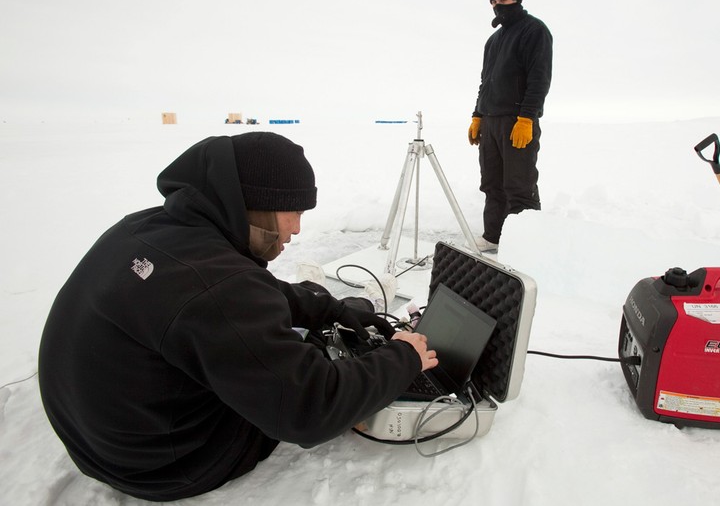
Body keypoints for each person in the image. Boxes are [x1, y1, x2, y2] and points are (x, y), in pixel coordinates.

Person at [38, 132, 437, 502]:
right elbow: (310, 411)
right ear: (254, 205)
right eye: (292, 212)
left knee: (283, 329)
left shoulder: (153, 227)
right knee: (313, 354)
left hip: (99, 440)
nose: (296, 229)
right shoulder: (221, 287)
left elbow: (240, 291)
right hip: (166, 464)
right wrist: (403, 357)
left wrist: (331, 308)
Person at [468, 0, 553, 252]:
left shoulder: (534, 31)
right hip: (491, 122)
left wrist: (527, 117)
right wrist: (477, 114)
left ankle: (526, 245)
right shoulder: (493, 41)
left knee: (519, 186)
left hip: (517, 122)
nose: (497, 5)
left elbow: (539, 79)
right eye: (493, 0)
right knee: (492, 184)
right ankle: (493, 236)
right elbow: (486, 81)